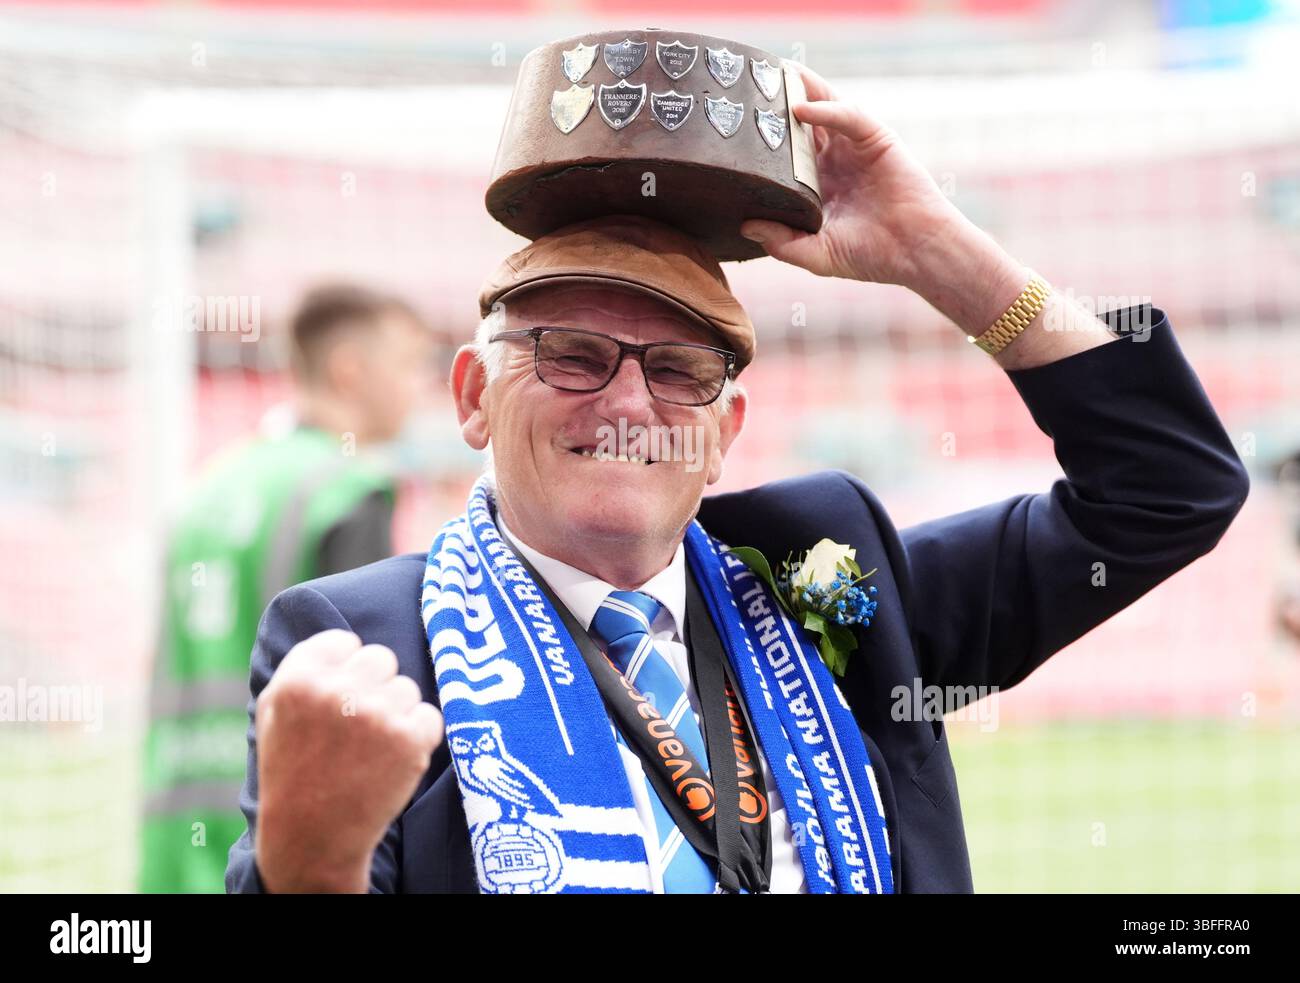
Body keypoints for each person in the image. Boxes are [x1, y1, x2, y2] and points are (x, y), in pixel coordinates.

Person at [225, 64, 1248, 893]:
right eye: (573, 354)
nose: (628, 403)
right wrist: (310, 865)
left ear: (726, 434)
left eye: (678, 371)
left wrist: (939, 254)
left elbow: (1167, 489)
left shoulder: (828, 576)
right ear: (471, 397)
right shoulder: (363, 648)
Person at [141, 284, 432, 892]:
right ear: (350, 369)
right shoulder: (346, 490)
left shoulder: (209, 487)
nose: (420, 385)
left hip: (173, 809)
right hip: (277, 820)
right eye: (409, 363)